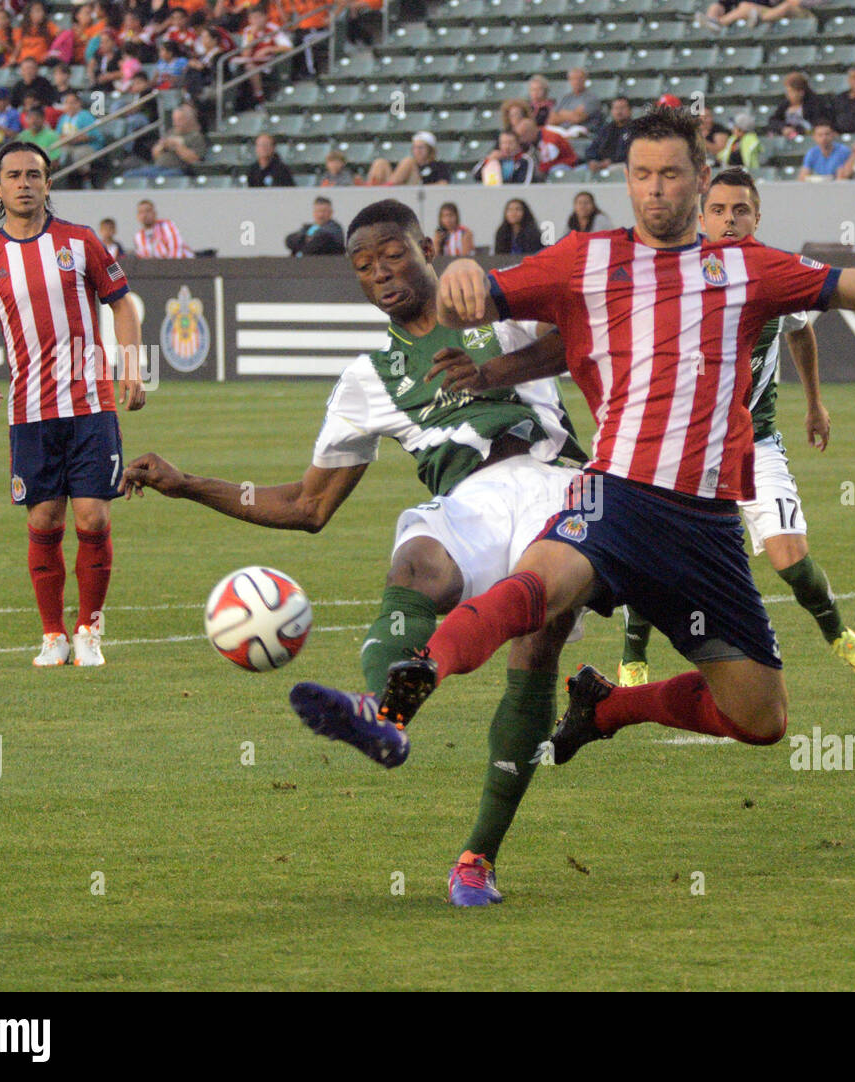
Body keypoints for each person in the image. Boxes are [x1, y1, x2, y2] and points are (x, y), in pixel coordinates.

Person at [303, 107, 855, 799]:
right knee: (537, 586)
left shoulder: (752, 269)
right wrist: (469, 272)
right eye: (641, 175)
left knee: (760, 717)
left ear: (699, 182)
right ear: (626, 181)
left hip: (706, 522)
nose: (655, 189)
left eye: (671, 174)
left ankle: (609, 707)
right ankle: (400, 701)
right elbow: (481, 293)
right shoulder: (584, 260)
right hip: (618, 492)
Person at [119, 198, 587, 907]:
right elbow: (308, 507)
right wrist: (187, 484)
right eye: (365, 266)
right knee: (414, 562)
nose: (382, 273)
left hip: (559, 485)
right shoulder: (366, 380)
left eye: (394, 253)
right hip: (471, 503)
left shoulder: (498, 304)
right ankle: (383, 715)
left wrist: (494, 367)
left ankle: (476, 859)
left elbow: (582, 336)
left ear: (427, 246)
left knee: (537, 652)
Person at [616, 167, 855, 688]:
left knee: (790, 556)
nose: (729, 220)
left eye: (740, 210)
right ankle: (632, 657)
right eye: (718, 210)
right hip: (685, 445)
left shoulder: (778, 276)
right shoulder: (676, 275)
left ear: (757, 217)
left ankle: (838, 634)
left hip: (755, 442)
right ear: (701, 217)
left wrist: (814, 406)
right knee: (654, 553)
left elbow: (801, 335)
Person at [0, 140, 145, 668]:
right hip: (31, 411)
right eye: (13, 175)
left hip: (90, 402)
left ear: (48, 183)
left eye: (34, 174)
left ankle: (89, 631)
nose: (24, 183)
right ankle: (53, 634)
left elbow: (122, 304)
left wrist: (132, 365)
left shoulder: (80, 243)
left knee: (94, 518)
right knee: (44, 520)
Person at [124, 104, 206, 179]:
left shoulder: (196, 136)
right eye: (174, 120)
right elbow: (155, 155)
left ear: (188, 120)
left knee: (161, 177)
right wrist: (162, 146)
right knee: (129, 175)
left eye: (179, 120)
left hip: (179, 170)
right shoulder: (171, 133)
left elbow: (194, 160)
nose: (175, 123)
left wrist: (177, 147)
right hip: (158, 168)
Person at [365, 131, 451, 187]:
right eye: (415, 148)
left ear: (430, 149)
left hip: (416, 190)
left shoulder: (438, 165)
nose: (417, 151)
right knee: (380, 162)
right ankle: (370, 187)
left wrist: (423, 187)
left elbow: (443, 184)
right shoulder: (410, 165)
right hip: (400, 187)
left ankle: (386, 186)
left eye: (420, 148)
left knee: (408, 161)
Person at [768, 71, 831, 137]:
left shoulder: (816, 105)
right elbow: (773, 120)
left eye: (791, 91)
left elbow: (815, 125)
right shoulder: (785, 104)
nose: (788, 94)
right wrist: (783, 128)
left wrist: (796, 130)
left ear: (801, 92)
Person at [513, 117, 578, 176]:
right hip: (550, 166)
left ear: (529, 132)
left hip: (566, 166)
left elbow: (547, 164)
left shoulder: (549, 140)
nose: (520, 139)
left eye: (521, 136)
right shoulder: (534, 140)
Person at [471, 130, 536, 186]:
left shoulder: (525, 160)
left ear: (517, 144)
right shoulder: (493, 159)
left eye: (510, 143)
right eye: (504, 143)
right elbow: (476, 175)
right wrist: (488, 160)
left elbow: (525, 184)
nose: (507, 147)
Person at [585, 96, 632, 173]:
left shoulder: (635, 129)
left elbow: (631, 153)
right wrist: (592, 160)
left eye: (622, 108)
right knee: (580, 170)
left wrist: (610, 161)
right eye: (616, 108)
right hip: (600, 164)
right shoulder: (605, 129)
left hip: (622, 164)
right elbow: (592, 148)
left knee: (611, 170)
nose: (619, 112)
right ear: (611, 111)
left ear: (630, 110)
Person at [548, 68, 602, 133]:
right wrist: (572, 113)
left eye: (580, 79)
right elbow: (551, 119)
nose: (576, 82)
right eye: (573, 79)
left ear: (585, 79)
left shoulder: (591, 98)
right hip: (561, 130)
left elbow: (577, 119)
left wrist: (561, 113)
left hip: (581, 132)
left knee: (575, 130)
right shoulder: (565, 97)